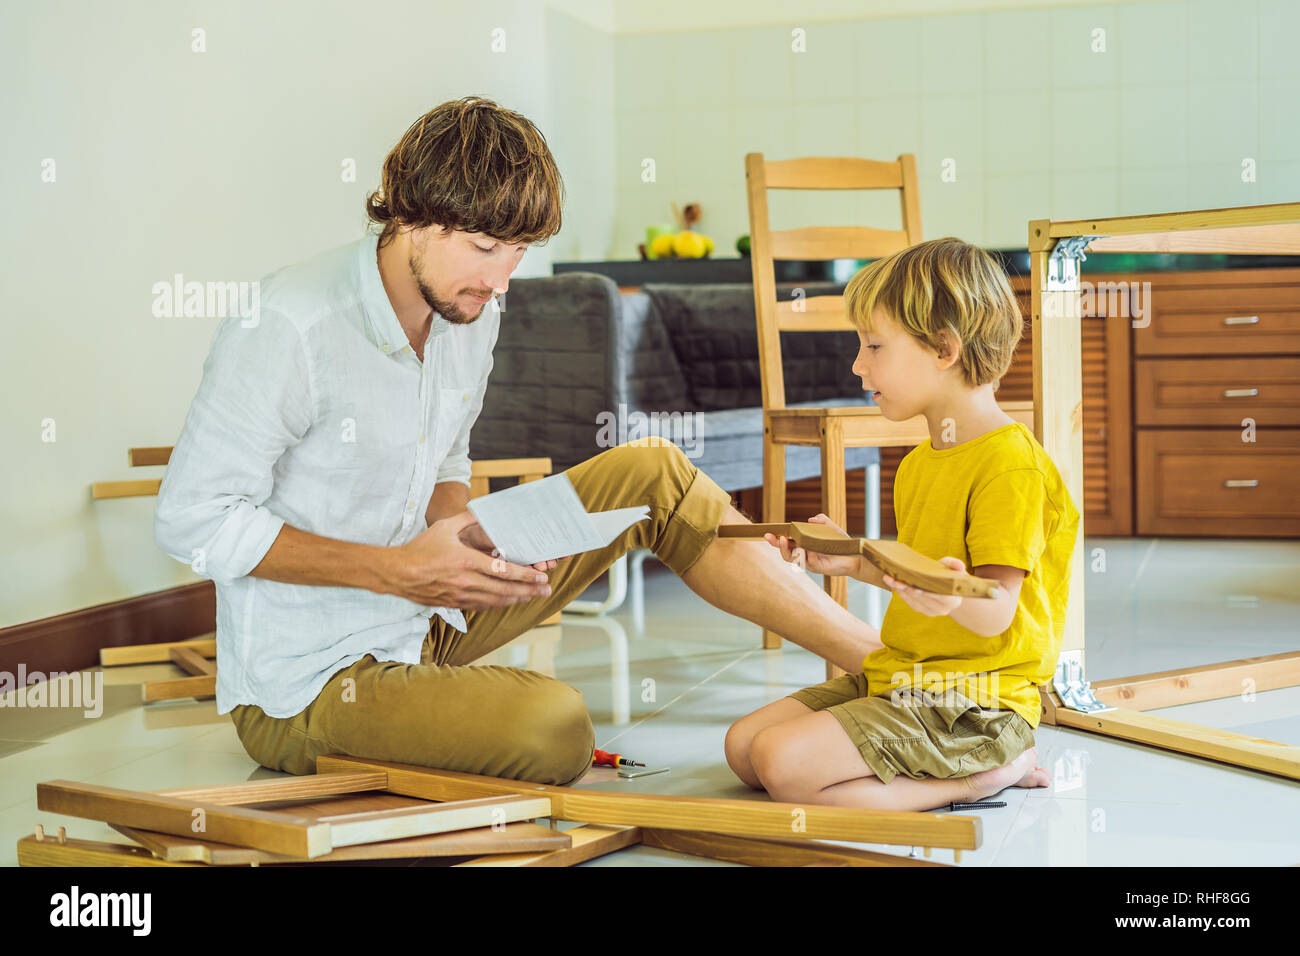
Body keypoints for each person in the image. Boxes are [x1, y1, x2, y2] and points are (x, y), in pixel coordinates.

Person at [154, 96, 881, 786]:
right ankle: (428, 707)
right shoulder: (288, 323)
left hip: (428, 615)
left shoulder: (470, 310)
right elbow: (194, 519)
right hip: (308, 688)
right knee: (554, 727)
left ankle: (888, 665)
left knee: (654, 471)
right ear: (409, 216)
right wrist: (396, 571)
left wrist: (467, 535)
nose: (502, 281)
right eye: (484, 247)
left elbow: (444, 459)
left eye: (520, 251)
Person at [724, 237, 1079, 811]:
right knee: (743, 749)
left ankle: (988, 775)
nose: (858, 364)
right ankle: (947, 773)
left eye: (873, 346)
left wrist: (947, 595)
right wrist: (851, 558)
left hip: (977, 705)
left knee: (784, 768)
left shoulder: (1009, 466)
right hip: (905, 678)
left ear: (944, 348)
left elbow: (993, 612)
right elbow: (916, 579)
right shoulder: (920, 461)